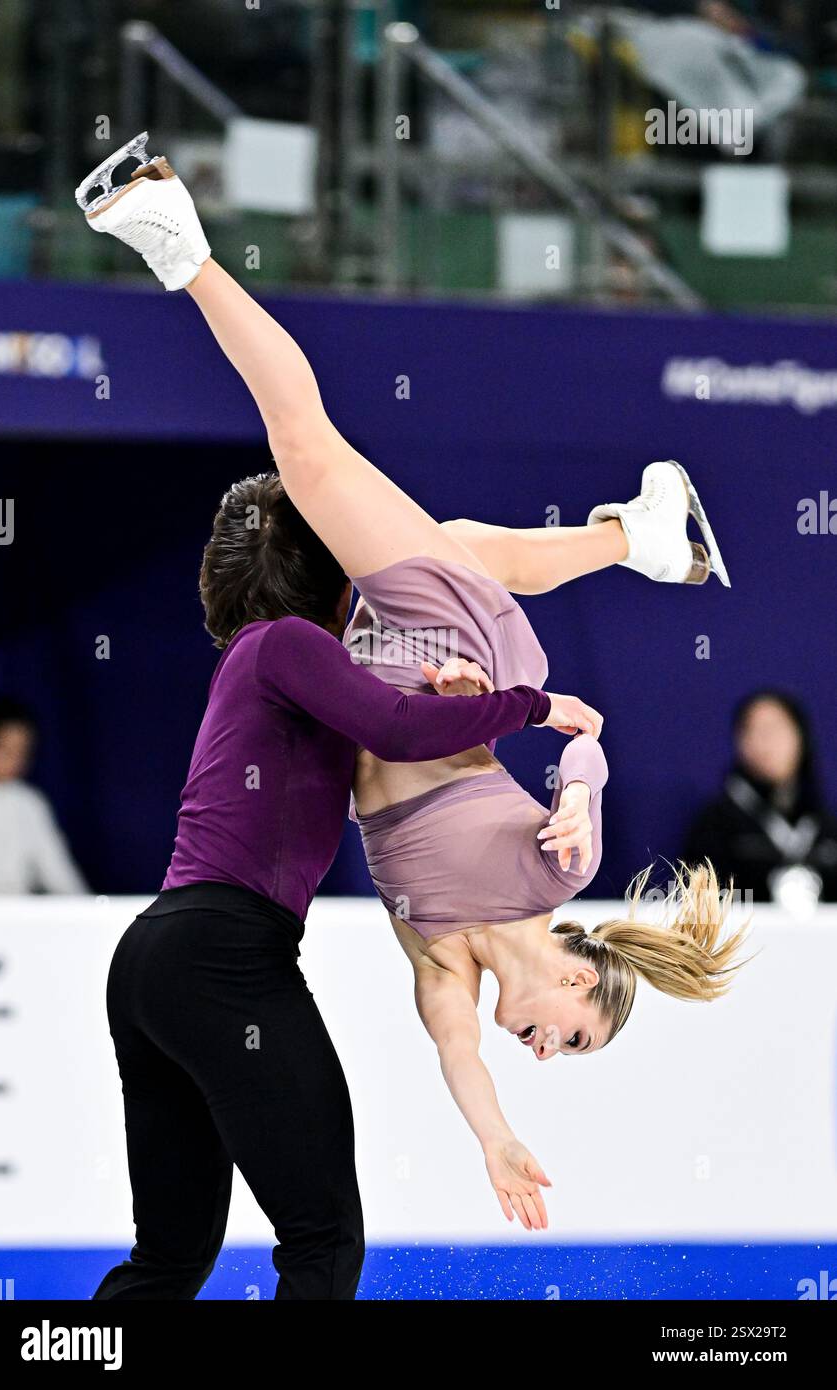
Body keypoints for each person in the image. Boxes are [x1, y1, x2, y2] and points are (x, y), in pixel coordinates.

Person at [79, 134, 749, 1238]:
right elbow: (581, 755)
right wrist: (576, 781)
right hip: (455, 667)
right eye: (568, 1038)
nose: (540, 1052)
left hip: (414, 668)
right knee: (307, 451)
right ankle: (178, 238)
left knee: (451, 538)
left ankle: (636, 534)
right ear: (579, 985)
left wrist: (494, 1143)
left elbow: (458, 1063)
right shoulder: (555, 871)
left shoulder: (441, 966)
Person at [85, 461, 584, 1300]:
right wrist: (530, 705)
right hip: (225, 959)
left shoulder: (266, 659)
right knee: (324, 1245)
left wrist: (458, 697)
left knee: (170, 1261)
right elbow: (393, 726)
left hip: (157, 961)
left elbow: (388, 734)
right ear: (333, 582)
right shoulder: (289, 645)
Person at [685, 690, 837, 905]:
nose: (765, 743)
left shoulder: (826, 825)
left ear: (801, 736)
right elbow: (699, 905)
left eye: (775, 730)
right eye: (753, 731)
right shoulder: (715, 825)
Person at [0, 691, 87, 894]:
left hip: (16, 914)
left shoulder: (29, 803)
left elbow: (57, 871)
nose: (13, 761)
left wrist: (87, 912)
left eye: (21, 752)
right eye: (4, 750)